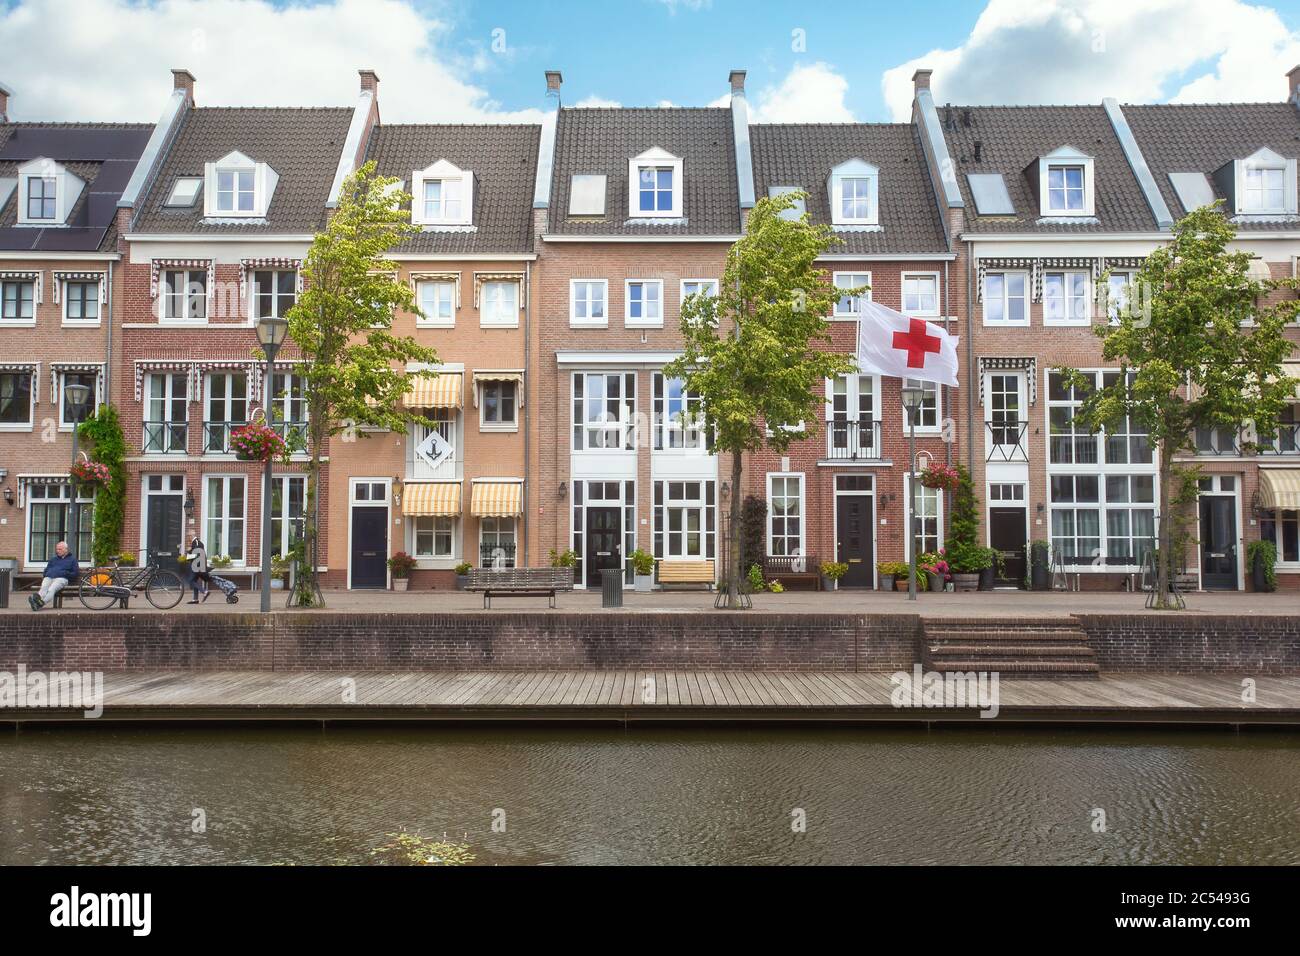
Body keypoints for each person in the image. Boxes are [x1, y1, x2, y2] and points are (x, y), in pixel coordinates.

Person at [29, 541, 79, 611]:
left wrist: (65, 573)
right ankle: (36, 600)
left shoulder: (72, 560)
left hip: (62, 579)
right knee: (44, 588)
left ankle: (40, 603)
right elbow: (47, 569)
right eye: (57, 549)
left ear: (66, 549)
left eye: (60, 549)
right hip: (49, 577)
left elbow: (75, 573)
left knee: (51, 589)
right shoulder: (53, 559)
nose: (57, 551)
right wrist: (46, 574)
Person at [184, 537, 210, 604]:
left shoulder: (196, 542)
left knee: (191, 581)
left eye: (188, 537)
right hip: (198, 565)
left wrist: (186, 557)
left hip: (197, 565)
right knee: (194, 580)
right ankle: (195, 599)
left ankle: (204, 591)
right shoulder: (196, 543)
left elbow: (196, 554)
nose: (187, 539)